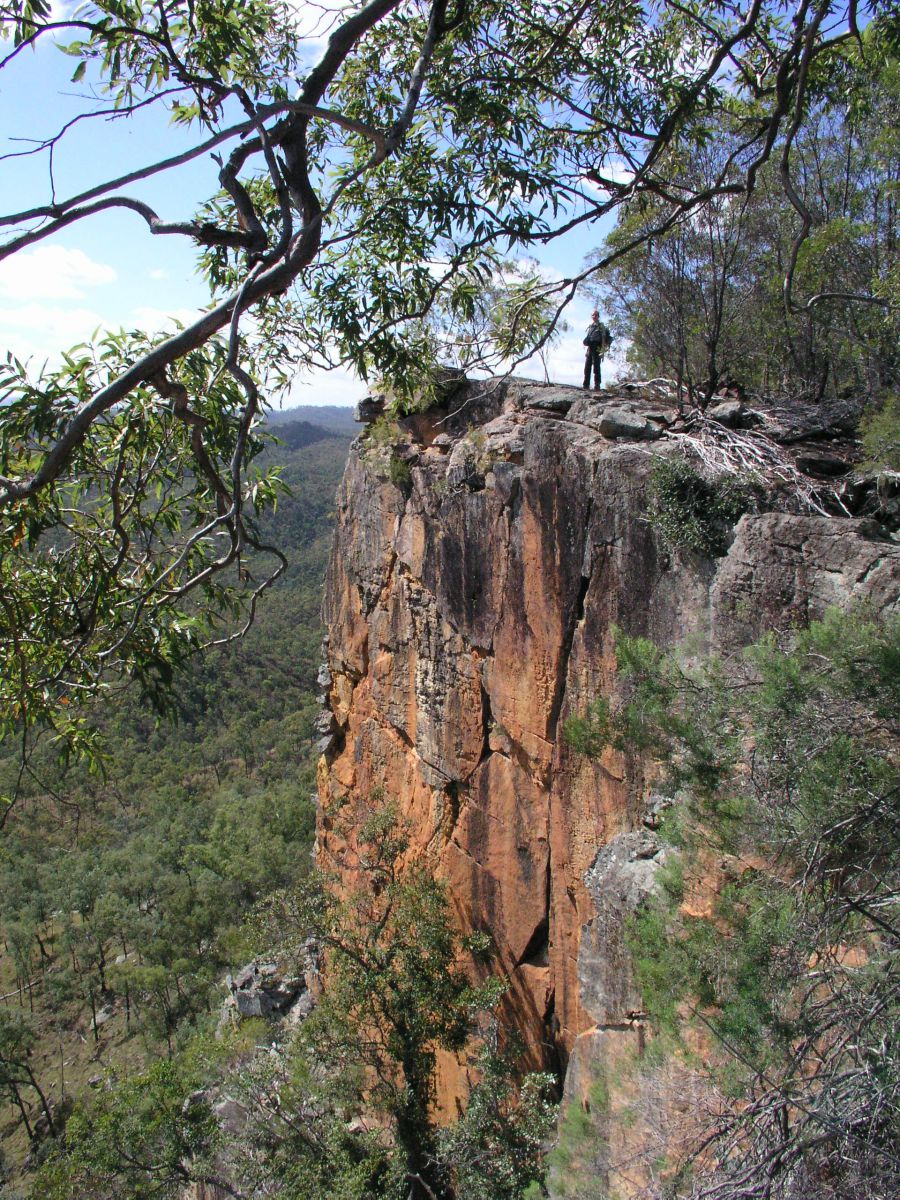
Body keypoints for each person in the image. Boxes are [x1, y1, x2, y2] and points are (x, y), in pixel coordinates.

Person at [582, 310, 611, 389]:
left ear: (598, 316)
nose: (594, 316)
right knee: (587, 367)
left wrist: (602, 351)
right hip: (590, 348)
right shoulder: (590, 326)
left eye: (596, 315)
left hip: (597, 348)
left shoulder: (601, 326)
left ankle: (597, 385)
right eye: (593, 315)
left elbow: (603, 338)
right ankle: (586, 385)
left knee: (596, 367)